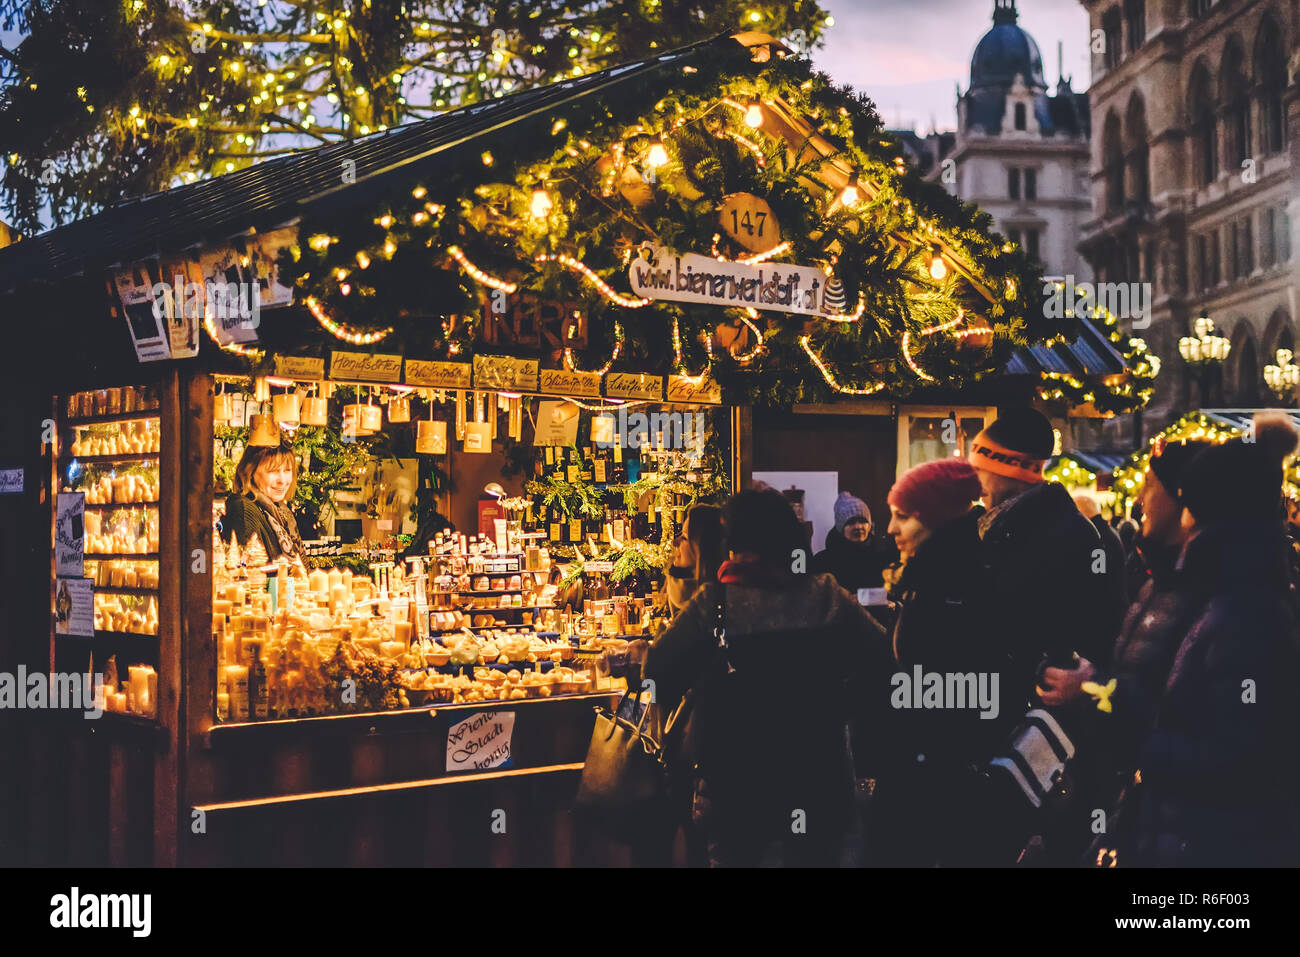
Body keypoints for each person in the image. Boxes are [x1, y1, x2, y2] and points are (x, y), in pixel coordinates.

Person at [642, 488, 891, 866]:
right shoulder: (826, 596)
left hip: (736, 785)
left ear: (735, 544)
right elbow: (882, 661)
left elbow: (656, 672)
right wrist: (838, 705)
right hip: (817, 777)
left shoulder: (716, 604)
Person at [1120, 418, 1300, 865]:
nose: (1142, 500)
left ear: (1190, 507)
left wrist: (1122, 736)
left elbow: (1240, 754)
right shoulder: (1214, 588)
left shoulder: (1242, 608)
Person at [1039, 440, 1213, 843]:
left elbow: (1220, 742)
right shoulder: (1164, 580)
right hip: (1149, 811)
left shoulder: (1223, 596)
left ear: (1182, 499)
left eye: (1150, 485)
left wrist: (1094, 688)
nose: (1138, 498)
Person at [868, 458, 1013, 866]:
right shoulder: (932, 576)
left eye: (902, 517)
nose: (891, 529)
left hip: (933, 774)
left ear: (933, 519)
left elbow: (954, 689)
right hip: (924, 765)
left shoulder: (952, 585)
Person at [968, 407, 1121, 702]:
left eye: (979, 469)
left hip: (1034, 705)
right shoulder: (986, 525)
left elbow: (1096, 625)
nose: (973, 481)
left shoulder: (1066, 533)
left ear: (1011, 468)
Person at [221, 438, 310, 566]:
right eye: (273, 471)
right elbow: (248, 572)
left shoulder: (281, 511)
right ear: (250, 472)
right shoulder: (244, 508)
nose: (282, 480)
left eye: (287, 470)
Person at [811, 492, 897, 593]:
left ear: (869, 525)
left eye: (862, 521)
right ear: (840, 527)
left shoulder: (884, 557)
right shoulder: (823, 562)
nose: (858, 526)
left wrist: (895, 604)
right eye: (851, 522)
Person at [1072, 491, 1128, 625]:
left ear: (1082, 515)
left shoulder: (1098, 539)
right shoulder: (1107, 533)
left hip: (1104, 617)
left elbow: (1097, 579)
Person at [665, 504, 725, 617]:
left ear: (702, 548)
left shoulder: (715, 602)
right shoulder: (672, 593)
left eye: (684, 537)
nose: (675, 542)